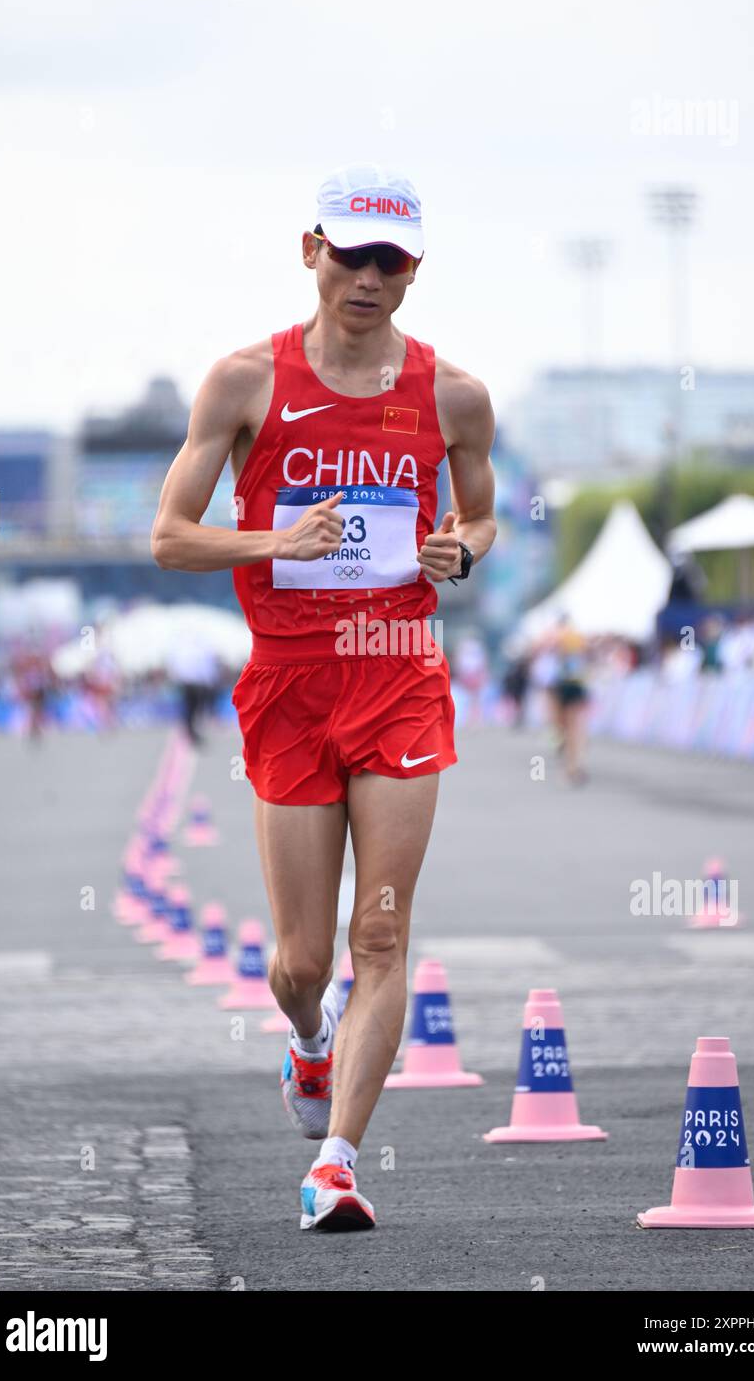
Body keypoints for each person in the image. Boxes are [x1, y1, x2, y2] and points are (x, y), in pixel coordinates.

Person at [151, 163, 496, 1231]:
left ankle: (337, 1161)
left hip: (398, 675)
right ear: (311, 252)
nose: (368, 276)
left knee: (380, 940)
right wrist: (275, 538)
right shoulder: (244, 381)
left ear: (414, 270)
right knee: (302, 963)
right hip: (290, 689)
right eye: (350, 253)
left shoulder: (453, 395)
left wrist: (458, 551)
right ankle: (308, 1042)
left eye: (390, 259)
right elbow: (167, 537)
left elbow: (481, 517)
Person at [545, 615, 590, 784]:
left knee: (566, 727)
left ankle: (572, 764)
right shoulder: (577, 637)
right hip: (575, 684)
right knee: (574, 726)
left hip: (563, 685)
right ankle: (575, 763)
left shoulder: (555, 637)